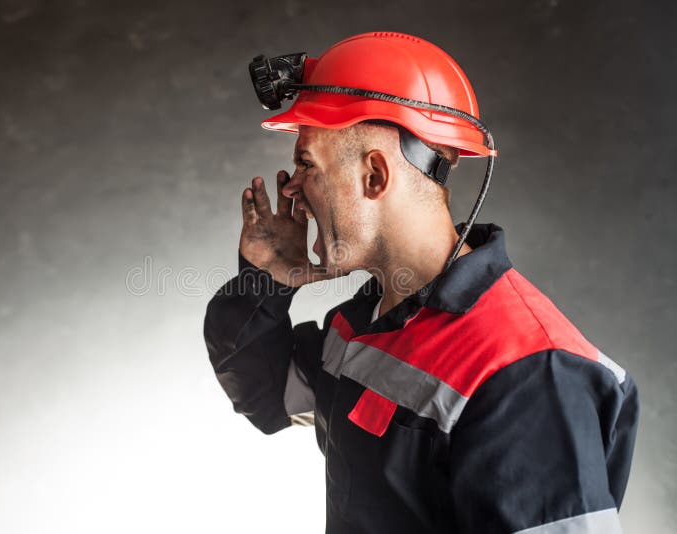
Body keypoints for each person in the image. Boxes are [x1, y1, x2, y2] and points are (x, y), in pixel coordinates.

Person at [203, 32, 638, 534]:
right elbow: (267, 396)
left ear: (374, 176)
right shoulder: (364, 323)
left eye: (306, 163)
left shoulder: (528, 374)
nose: (293, 188)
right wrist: (264, 281)